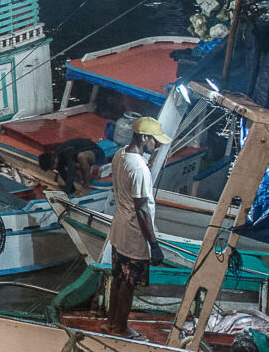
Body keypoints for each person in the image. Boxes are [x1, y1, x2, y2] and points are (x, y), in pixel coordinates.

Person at [105, 116, 170, 339]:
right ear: (144, 138)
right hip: (134, 234)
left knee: (118, 278)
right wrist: (154, 244)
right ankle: (122, 328)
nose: (157, 145)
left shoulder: (120, 154)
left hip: (119, 229)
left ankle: (111, 323)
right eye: (155, 140)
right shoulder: (139, 168)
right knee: (129, 283)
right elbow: (142, 210)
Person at [37, 137, 107, 195]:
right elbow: (64, 174)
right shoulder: (57, 159)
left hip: (97, 153)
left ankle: (86, 185)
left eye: (52, 168)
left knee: (81, 156)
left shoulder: (67, 152)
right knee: (74, 162)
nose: (53, 170)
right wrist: (71, 191)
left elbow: (71, 171)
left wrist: (67, 190)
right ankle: (78, 184)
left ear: (54, 162)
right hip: (82, 156)